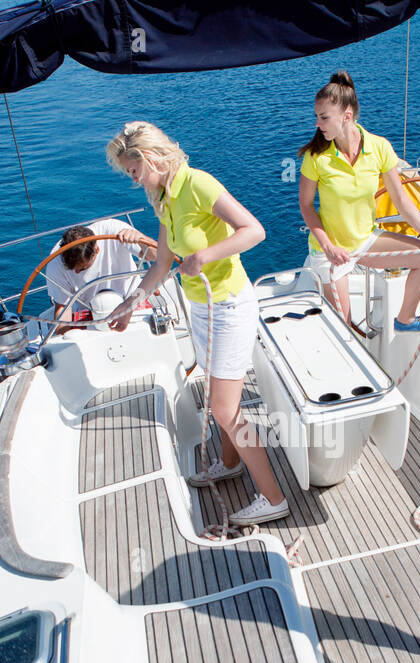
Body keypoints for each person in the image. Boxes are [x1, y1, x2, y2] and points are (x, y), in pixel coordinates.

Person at [105, 121, 289, 527]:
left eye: (133, 171)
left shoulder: (198, 184)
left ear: (149, 157)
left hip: (229, 306)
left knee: (224, 409)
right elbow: (161, 265)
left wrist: (206, 256)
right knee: (219, 399)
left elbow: (254, 230)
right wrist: (129, 305)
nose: (134, 181)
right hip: (202, 308)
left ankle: (273, 498)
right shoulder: (167, 199)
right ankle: (229, 463)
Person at [298, 70, 420, 332]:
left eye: (323, 117)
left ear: (347, 116)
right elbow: (306, 206)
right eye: (316, 116)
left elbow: (401, 199)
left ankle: (405, 320)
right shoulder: (316, 157)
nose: (317, 123)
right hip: (330, 251)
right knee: (344, 330)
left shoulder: (379, 147)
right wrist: (327, 247)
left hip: (365, 241)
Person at [44, 218, 155, 315]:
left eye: (82, 268)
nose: (77, 272)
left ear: (97, 250)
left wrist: (141, 240)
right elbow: (62, 308)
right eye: (72, 269)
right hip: (91, 311)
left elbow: (157, 256)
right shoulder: (55, 262)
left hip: (134, 298)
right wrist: (63, 332)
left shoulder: (116, 231)